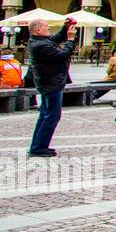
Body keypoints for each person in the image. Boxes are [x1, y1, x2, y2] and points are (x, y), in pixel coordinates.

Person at [27, 16, 77, 157]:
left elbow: (55, 39)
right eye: (46, 27)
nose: (48, 28)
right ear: (37, 30)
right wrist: (71, 39)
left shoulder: (39, 41)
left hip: (48, 82)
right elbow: (63, 55)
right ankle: (39, 147)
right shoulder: (41, 45)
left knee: (45, 115)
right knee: (52, 116)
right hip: (51, 84)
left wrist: (65, 28)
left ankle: (37, 145)